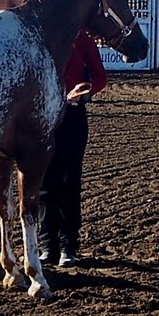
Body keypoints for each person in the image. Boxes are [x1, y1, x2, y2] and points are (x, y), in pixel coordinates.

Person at [40, 29, 108, 267]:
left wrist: (84, 95)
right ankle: (48, 245)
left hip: (72, 116)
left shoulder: (82, 39)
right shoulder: (44, 34)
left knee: (69, 181)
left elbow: (100, 77)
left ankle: (69, 245)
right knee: (46, 183)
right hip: (45, 115)